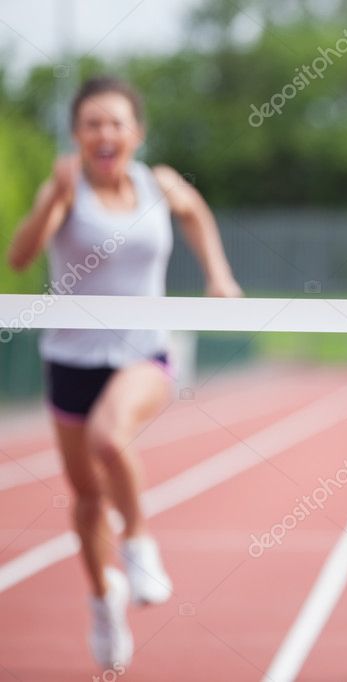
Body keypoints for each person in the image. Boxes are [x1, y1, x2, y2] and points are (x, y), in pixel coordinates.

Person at [7, 76, 242, 670]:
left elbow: (196, 213)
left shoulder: (158, 183)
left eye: (116, 123)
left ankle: (138, 543)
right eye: (92, 124)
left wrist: (218, 274)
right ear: (77, 136)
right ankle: (102, 598)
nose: (104, 134)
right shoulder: (65, 188)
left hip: (144, 350)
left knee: (109, 438)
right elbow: (19, 256)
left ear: (136, 133)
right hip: (71, 358)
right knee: (85, 497)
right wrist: (47, 201)